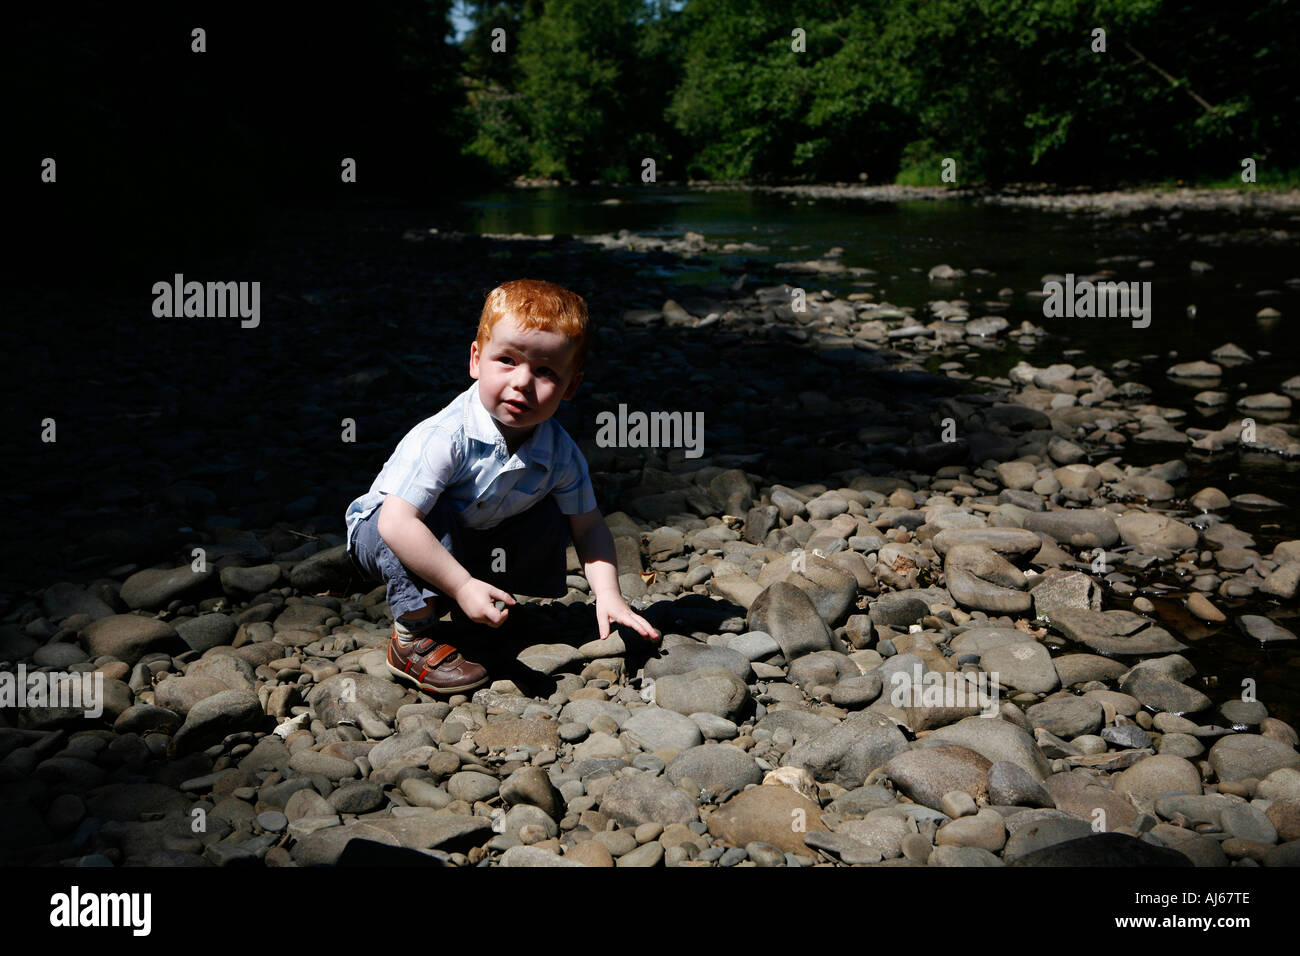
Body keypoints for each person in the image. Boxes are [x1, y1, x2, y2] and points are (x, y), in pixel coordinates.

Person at [344, 278, 659, 695]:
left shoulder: (560, 453)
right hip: (384, 530)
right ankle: (412, 637)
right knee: (428, 510)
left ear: (571, 386)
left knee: (554, 511)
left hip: (470, 533)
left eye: (546, 371)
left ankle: (469, 599)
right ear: (476, 360)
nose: (523, 382)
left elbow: (588, 527)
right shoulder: (446, 436)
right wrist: (462, 584)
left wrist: (609, 596)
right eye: (507, 360)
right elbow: (396, 523)